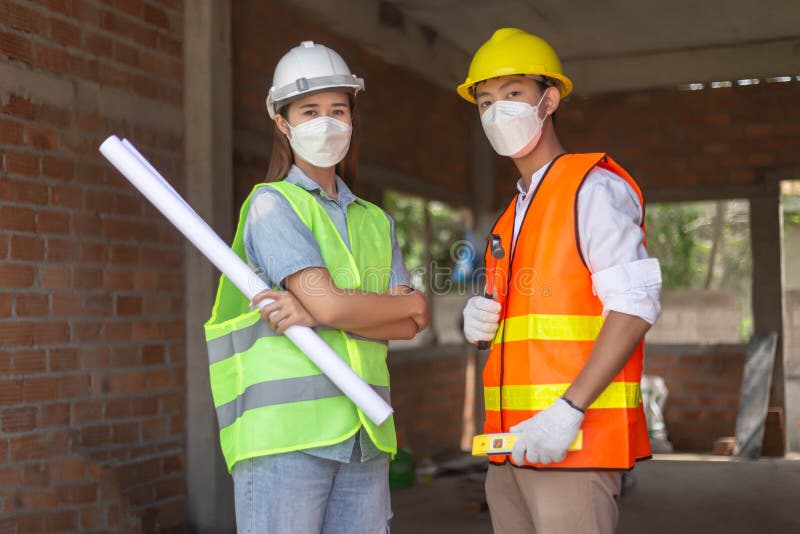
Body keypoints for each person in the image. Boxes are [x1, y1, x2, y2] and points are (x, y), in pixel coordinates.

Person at [204, 40, 429, 533]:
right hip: (286, 438)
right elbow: (373, 307)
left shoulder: (375, 220)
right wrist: (346, 308)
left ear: (352, 119)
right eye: (310, 111)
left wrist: (322, 310)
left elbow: (414, 320)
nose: (327, 122)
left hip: (363, 435)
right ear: (282, 122)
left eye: (338, 110)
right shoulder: (272, 204)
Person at [459, 28, 662, 534]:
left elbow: (635, 306)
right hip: (510, 451)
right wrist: (482, 324)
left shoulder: (591, 188)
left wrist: (567, 410)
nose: (496, 111)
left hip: (571, 443)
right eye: (484, 101)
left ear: (549, 100)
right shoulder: (513, 213)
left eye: (512, 94)